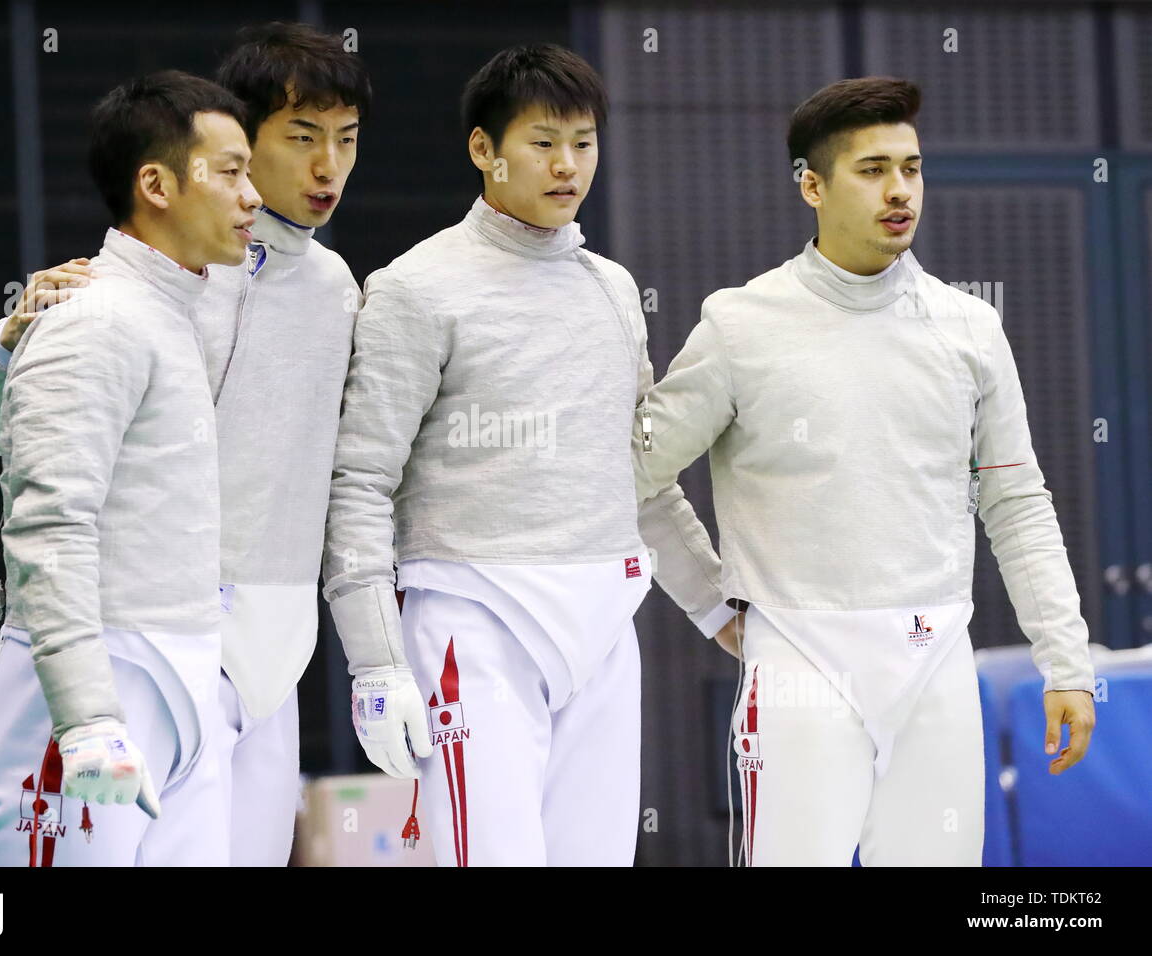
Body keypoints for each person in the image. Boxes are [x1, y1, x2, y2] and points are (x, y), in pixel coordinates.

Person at [632, 76, 1097, 866]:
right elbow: (633, 476)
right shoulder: (741, 325)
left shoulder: (970, 328)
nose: (899, 190)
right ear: (812, 185)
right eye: (872, 169)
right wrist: (716, 607)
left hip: (938, 660)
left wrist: (1067, 661)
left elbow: (1017, 500)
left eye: (911, 168)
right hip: (798, 666)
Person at [0, 22, 369, 866]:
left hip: (240, 651)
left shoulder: (325, 290)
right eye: (297, 141)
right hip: (129, 646)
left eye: (346, 138)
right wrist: (14, 338)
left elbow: (356, 475)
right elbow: (43, 506)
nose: (325, 165)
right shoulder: (116, 300)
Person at [322, 43, 734, 867]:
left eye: (583, 143)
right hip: (476, 624)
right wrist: (374, 661)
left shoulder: (611, 289)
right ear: (485, 149)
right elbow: (359, 481)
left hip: (606, 627)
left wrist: (720, 607)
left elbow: (642, 476)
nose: (566, 165)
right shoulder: (416, 288)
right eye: (543, 142)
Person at [0, 70, 262, 866]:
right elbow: (47, 522)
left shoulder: (174, 310)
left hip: (186, 678)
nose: (251, 196)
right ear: (156, 183)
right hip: (93, 686)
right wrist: (87, 715)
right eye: (231, 171)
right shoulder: (95, 318)